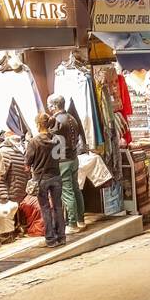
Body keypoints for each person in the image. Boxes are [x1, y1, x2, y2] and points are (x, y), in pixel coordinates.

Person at [45, 95, 85, 234]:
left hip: (63, 160)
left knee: (67, 191)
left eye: (49, 106)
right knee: (75, 189)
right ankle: (80, 219)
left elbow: (51, 140)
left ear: (55, 106)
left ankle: (73, 223)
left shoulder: (57, 121)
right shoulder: (71, 118)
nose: (49, 109)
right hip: (73, 158)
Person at [26, 113, 65, 247]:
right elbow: (59, 156)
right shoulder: (57, 139)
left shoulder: (34, 141)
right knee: (58, 207)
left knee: (45, 208)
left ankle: (50, 239)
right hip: (56, 175)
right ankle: (61, 237)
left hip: (40, 178)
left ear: (38, 125)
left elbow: (28, 162)